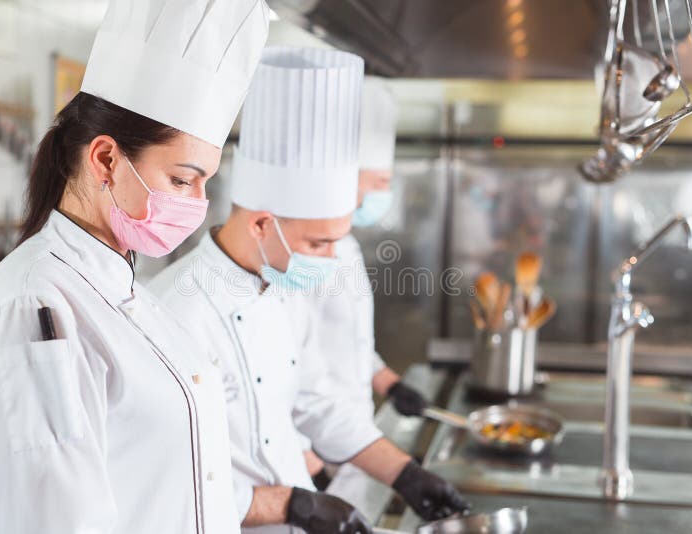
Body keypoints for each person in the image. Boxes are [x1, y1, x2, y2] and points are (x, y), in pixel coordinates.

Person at [0, 1, 268, 533]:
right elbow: (55, 522)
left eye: (205, 183)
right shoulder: (35, 307)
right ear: (105, 158)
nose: (197, 204)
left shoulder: (127, 293)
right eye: (181, 180)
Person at [150, 46, 468, 534]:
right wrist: (290, 505)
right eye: (318, 243)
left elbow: (317, 401)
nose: (330, 259)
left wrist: (405, 474)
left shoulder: (281, 293)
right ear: (262, 224)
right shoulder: (171, 313)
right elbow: (160, 480)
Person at [303, 77, 429, 489]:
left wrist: (389, 383)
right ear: (345, 178)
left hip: (352, 432)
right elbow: (283, 369)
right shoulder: (301, 254)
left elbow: (351, 339)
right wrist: (309, 465)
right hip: (311, 447)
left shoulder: (348, 246)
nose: (383, 194)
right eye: (378, 183)